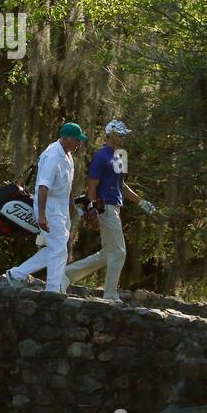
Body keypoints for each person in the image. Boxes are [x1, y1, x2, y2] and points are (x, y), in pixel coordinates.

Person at [64, 120, 156, 301]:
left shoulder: (119, 156)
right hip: (104, 207)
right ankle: (110, 294)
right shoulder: (101, 156)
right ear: (111, 134)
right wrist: (92, 211)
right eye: (120, 134)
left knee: (107, 253)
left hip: (115, 207)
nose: (123, 137)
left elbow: (121, 185)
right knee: (119, 251)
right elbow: (92, 186)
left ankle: (67, 274)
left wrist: (140, 201)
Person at [4, 122, 88, 293]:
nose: (79, 143)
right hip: (49, 207)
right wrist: (42, 215)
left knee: (54, 248)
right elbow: (43, 187)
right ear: (65, 138)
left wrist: (73, 203)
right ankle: (52, 290)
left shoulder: (68, 155)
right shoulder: (52, 155)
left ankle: (17, 274)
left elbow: (67, 185)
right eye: (76, 140)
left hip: (61, 208)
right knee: (59, 250)